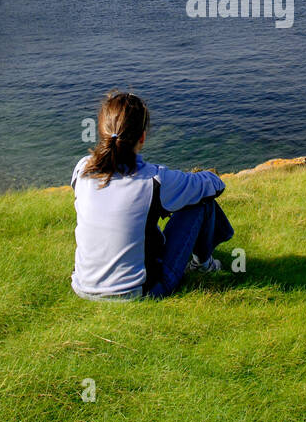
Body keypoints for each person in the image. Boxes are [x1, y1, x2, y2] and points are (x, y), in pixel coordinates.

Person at [70, 91, 234, 300]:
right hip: (139, 292)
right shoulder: (155, 179)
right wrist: (203, 176)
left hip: (82, 286)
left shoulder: (83, 169)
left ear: (101, 131)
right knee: (201, 202)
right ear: (143, 137)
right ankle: (203, 265)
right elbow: (215, 186)